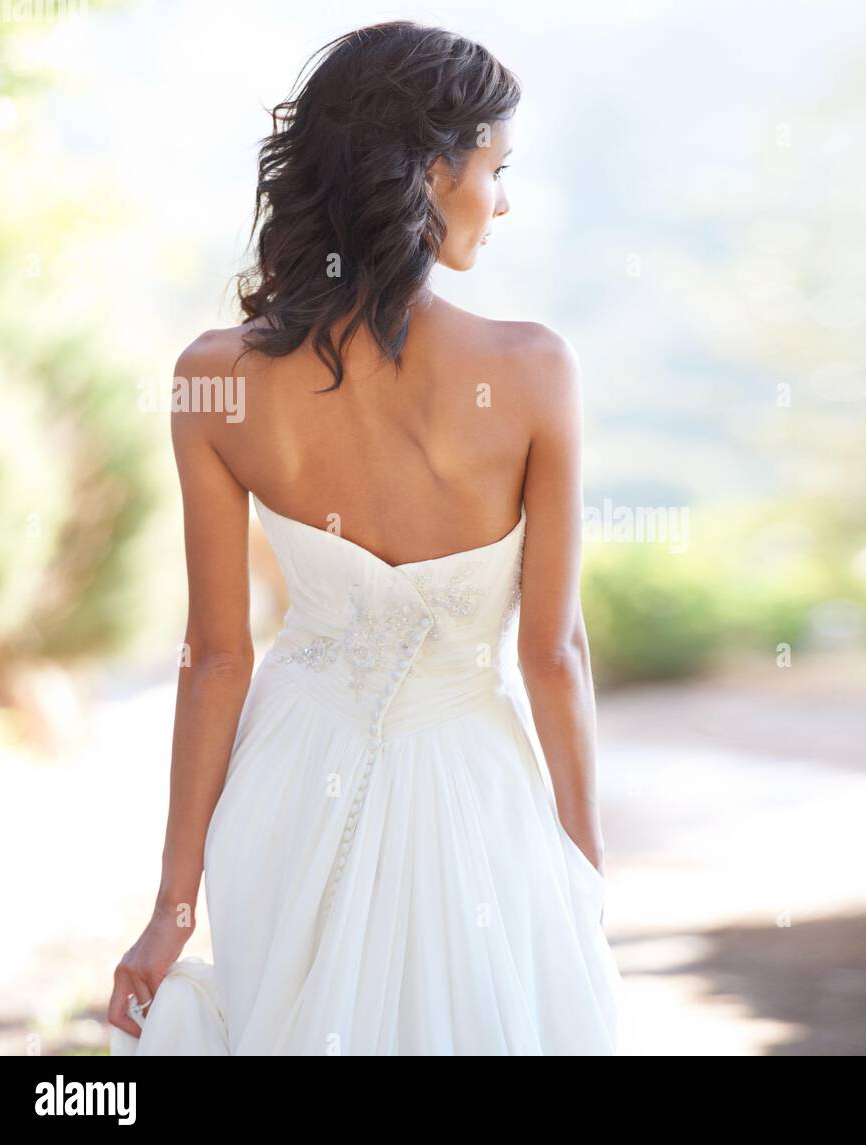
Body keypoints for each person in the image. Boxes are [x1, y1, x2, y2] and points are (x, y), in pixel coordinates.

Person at [107, 21, 620, 1055]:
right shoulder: (533, 370)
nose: (504, 201)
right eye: (495, 168)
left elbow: (215, 653)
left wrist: (173, 904)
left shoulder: (213, 379)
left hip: (288, 789)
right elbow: (551, 653)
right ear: (433, 172)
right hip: (475, 798)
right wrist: (583, 862)